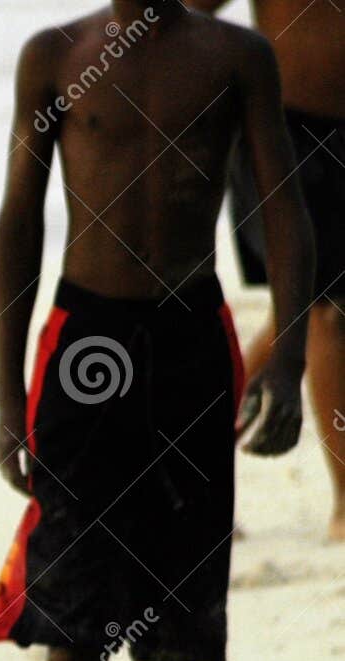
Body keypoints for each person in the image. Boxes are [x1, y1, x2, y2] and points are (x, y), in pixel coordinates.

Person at [0, 0, 313, 661]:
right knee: (77, 608)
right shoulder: (54, 57)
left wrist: (285, 363)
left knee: (176, 606)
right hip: (85, 340)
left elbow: (281, 207)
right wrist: (9, 390)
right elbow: (18, 217)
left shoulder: (235, 57)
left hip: (188, 344)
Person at [189, 0, 345, 540]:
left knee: (301, 318)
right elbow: (182, 13)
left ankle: (184, 471)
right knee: (326, 311)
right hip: (289, 135)